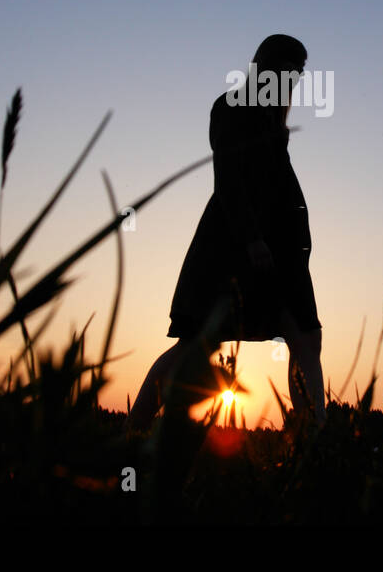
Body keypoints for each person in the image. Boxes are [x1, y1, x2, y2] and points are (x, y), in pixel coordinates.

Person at [126, 34, 325, 432]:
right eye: (291, 67)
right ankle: (133, 430)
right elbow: (229, 179)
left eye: (300, 71)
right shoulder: (232, 107)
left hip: (281, 250)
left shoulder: (274, 120)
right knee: (196, 345)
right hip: (237, 247)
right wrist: (252, 239)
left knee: (305, 337)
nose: (296, 77)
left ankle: (312, 440)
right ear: (268, 65)